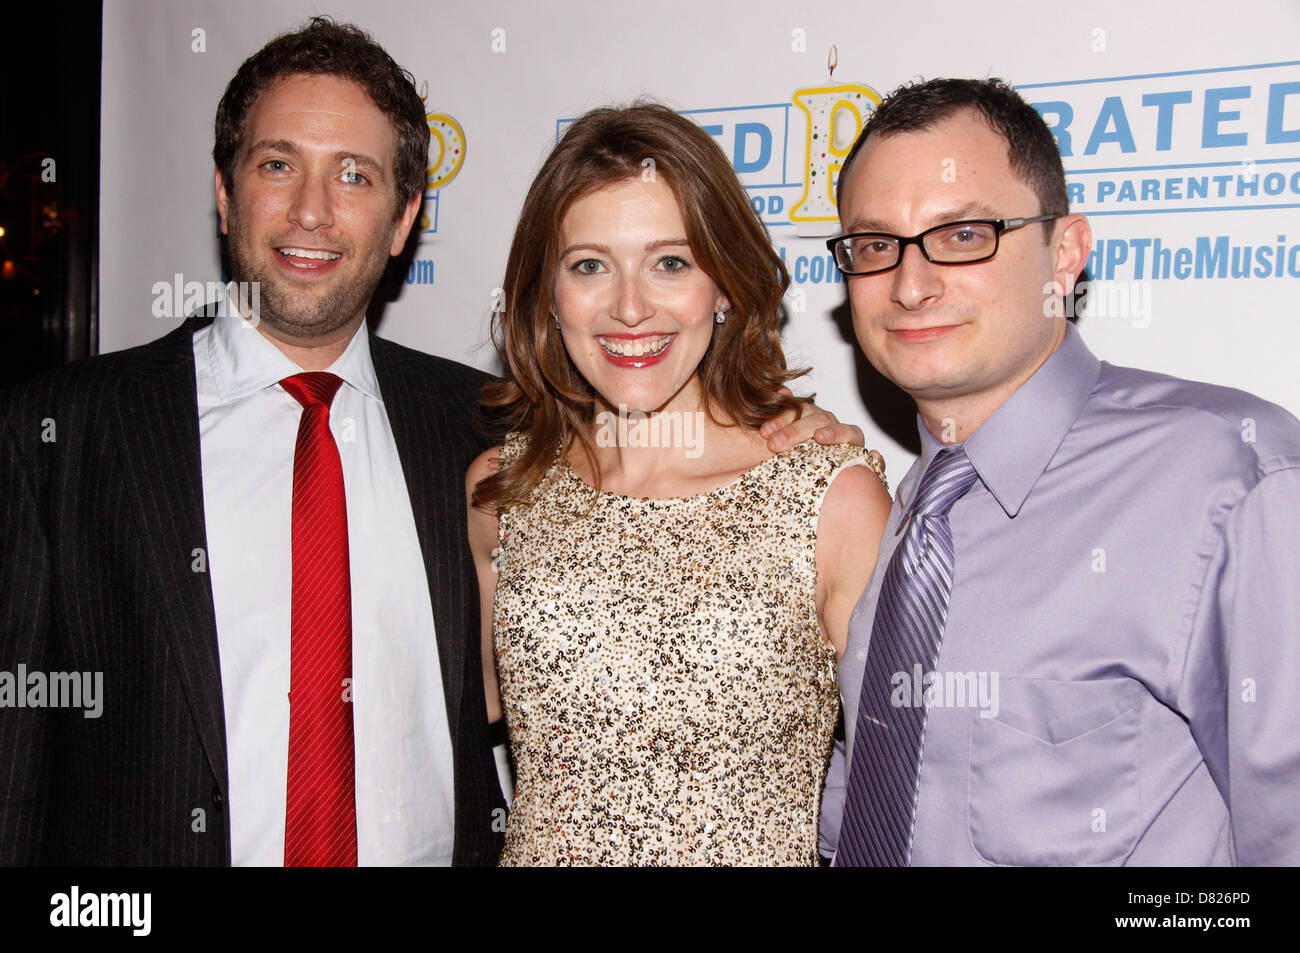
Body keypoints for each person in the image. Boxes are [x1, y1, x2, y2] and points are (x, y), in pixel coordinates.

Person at [0, 16, 510, 867]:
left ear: (403, 218)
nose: (311, 210)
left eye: (354, 175)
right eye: (278, 165)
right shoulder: (57, 435)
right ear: (227, 193)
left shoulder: (481, 427)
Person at [821, 77, 1300, 866]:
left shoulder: (1225, 476)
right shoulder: (892, 512)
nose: (910, 284)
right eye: (876, 245)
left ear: (1066, 253)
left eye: (964, 232)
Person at [467, 103, 893, 866]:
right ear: (547, 296)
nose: (630, 308)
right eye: (589, 265)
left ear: (725, 286)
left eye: (671, 262)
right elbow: (458, 720)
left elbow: (902, 792)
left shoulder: (829, 499)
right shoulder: (503, 492)